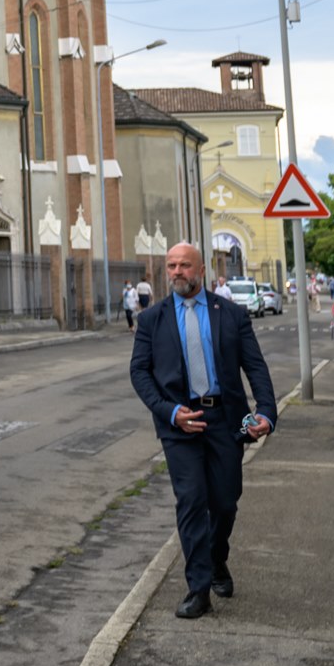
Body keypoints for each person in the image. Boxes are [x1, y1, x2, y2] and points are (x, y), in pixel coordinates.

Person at [129, 241, 277, 619]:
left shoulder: (230, 314)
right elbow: (140, 374)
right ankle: (198, 589)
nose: (177, 272)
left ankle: (216, 559)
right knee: (192, 501)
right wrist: (169, 411)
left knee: (225, 503)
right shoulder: (152, 321)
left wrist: (267, 413)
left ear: (201, 270)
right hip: (179, 425)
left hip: (224, 421)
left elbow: (254, 366)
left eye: (184, 266)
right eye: (171, 266)